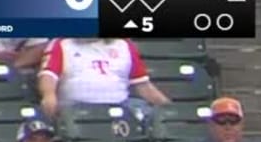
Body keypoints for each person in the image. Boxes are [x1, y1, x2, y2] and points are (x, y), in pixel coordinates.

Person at [37, 38, 171, 123]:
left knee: (150, 114)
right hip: (77, 107)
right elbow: (48, 75)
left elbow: (143, 85)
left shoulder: (124, 44)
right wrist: (48, 94)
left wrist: (169, 108)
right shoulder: (62, 44)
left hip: (121, 106)